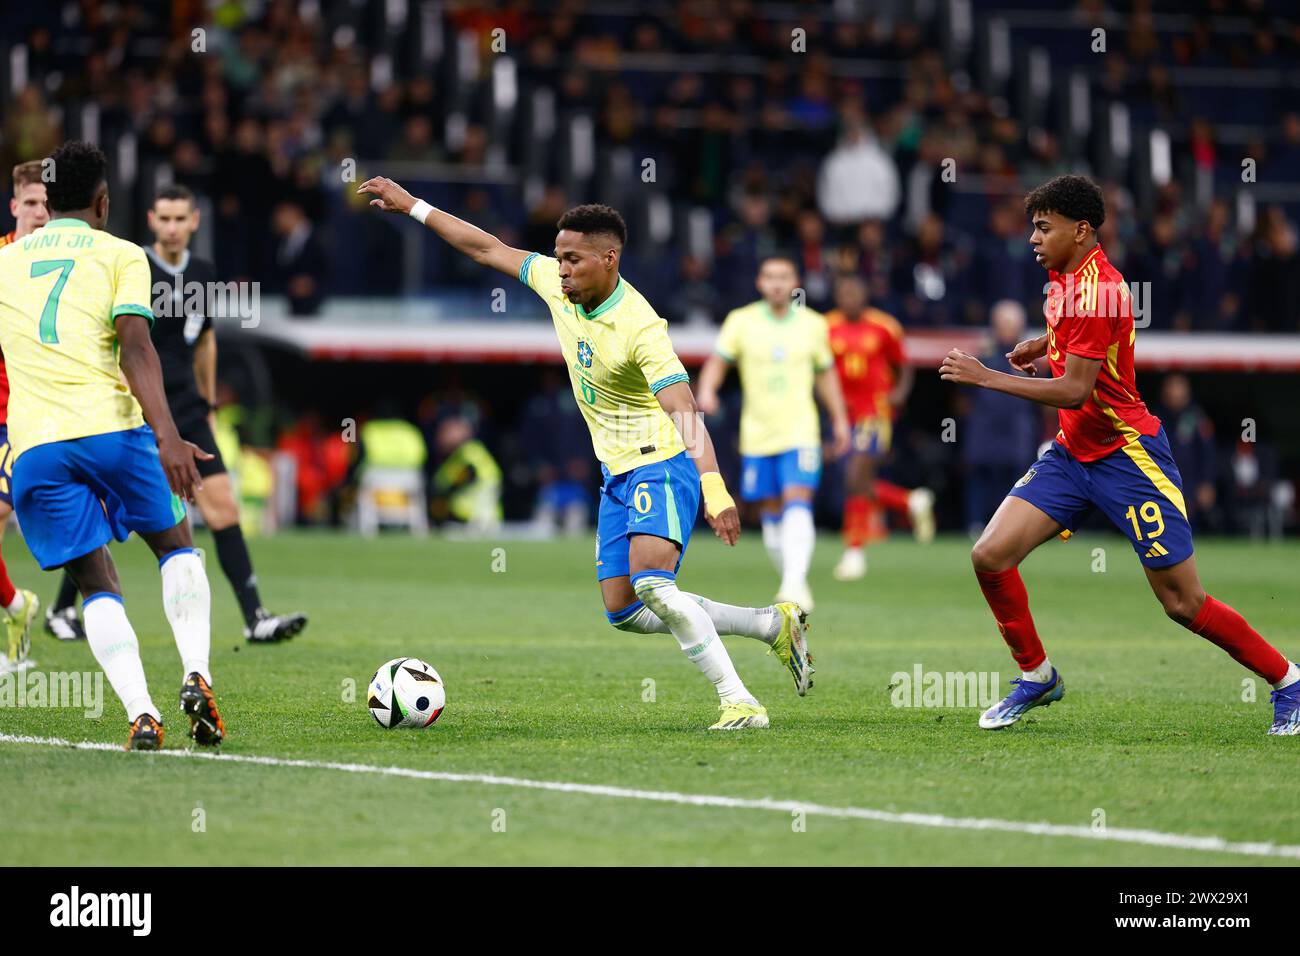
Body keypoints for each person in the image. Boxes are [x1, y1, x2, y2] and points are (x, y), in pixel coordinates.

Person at [359, 176, 813, 729]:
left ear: (609, 259)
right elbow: (486, 247)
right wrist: (413, 206)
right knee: (625, 610)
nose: (562, 269)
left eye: (573, 260)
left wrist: (715, 488)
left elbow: (686, 410)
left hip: (663, 462)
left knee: (653, 585)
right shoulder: (557, 284)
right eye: (558, 258)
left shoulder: (640, 326)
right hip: (616, 472)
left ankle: (738, 701)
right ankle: (771, 626)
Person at [939, 174, 1299, 735]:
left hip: (1127, 456)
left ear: (1081, 230)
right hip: (1071, 454)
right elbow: (1076, 346)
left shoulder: (1101, 290)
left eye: (1043, 227)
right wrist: (1044, 343)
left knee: (1182, 602)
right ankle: (1037, 675)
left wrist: (987, 377)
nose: (1032, 238)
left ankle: (1288, 680)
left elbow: (1075, 390)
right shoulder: (1061, 278)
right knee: (989, 555)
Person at [0, 141, 225, 749]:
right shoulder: (124, 255)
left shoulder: (6, 262)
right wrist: (170, 435)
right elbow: (136, 348)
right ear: (103, 201)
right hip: (114, 432)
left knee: (96, 583)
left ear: (45, 202)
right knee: (177, 545)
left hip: (37, 448)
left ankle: (142, 714)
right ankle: (197, 675)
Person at [46, 185, 307, 643]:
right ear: (151, 219)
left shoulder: (205, 272)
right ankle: (61, 610)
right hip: (139, 405)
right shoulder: (133, 265)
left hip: (187, 408)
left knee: (224, 508)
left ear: (194, 222)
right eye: (163, 218)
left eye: (178, 218)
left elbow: (205, 340)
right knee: (107, 509)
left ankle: (256, 618)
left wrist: (206, 403)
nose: (171, 227)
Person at [696, 256, 851, 611]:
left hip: (801, 431)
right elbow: (718, 361)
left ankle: (794, 585)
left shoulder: (813, 324)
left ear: (795, 281)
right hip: (757, 434)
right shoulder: (741, 321)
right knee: (770, 513)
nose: (778, 283)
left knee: (798, 500)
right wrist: (707, 390)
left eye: (784, 277)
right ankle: (793, 582)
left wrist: (839, 419)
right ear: (760, 283)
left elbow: (826, 374)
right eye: (770, 277)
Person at [824, 272, 935, 582]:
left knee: (855, 476)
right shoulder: (825, 327)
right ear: (838, 297)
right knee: (857, 481)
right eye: (844, 294)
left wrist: (899, 393)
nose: (849, 300)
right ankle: (909, 501)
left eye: (854, 293)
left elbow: (904, 364)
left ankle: (854, 552)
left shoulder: (885, 326)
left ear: (864, 296)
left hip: (874, 413)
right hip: (841, 416)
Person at [0, 161, 51, 665]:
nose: (38, 213)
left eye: (45, 204)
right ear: (15, 206)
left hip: (24, 418)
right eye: (30, 203)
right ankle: (19, 605)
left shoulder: (60, 266)